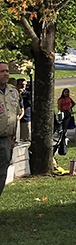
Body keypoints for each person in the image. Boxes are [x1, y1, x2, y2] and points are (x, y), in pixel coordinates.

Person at [0, 61, 22, 205]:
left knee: (2, 174)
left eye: (7, 71)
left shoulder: (13, 91)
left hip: (6, 140)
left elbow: (16, 114)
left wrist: (13, 137)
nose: (6, 74)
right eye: (2, 71)